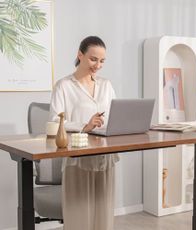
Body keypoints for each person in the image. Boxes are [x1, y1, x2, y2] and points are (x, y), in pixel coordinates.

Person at [49, 36, 119, 230]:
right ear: (80, 55)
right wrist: (84, 126)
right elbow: (55, 122)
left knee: (104, 215)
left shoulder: (106, 85)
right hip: (77, 158)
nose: (98, 65)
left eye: (102, 61)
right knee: (78, 216)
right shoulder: (63, 85)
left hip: (105, 156)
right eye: (93, 59)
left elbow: (116, 115)